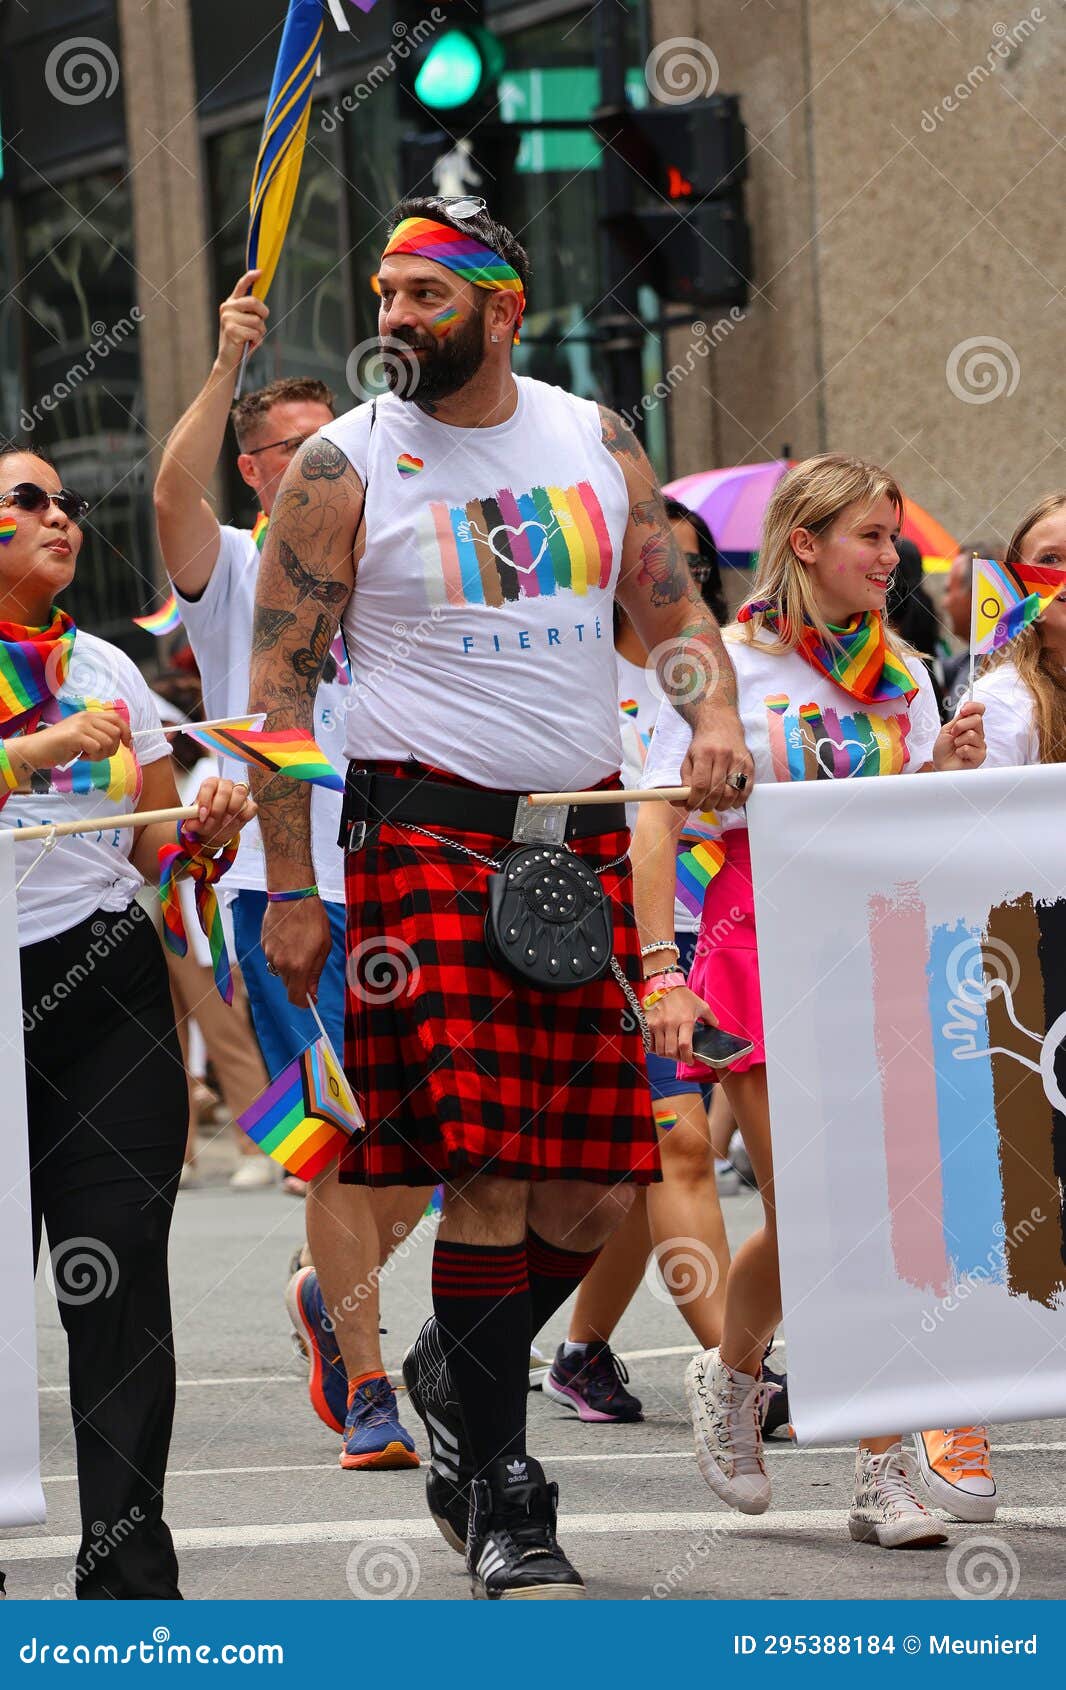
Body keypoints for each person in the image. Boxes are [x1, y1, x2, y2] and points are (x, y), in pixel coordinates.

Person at [248, 194, 750, 1599]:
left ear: (503, 305)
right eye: (385, 294)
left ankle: (444, 1366)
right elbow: (279, 690)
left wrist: (706, 712)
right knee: (487, 1175)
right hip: (423, 842)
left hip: (575, 847)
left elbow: (670, 616)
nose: (393, 319)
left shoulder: (590, 437)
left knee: (598, 1189)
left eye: (424, 296)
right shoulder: (343, 465)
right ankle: (506, 1493)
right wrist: (291, 885)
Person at [637, 453, 988, 1550]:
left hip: (889, 944)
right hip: (758, 941)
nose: (893, 558)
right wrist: (660, 970)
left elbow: (902, 822)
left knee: (873, 1220)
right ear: (803, 544)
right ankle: (845, 1442)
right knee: (833, 1220)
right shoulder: (720, 668)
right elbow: (655, 826)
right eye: (870, 538)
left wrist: (942, 774)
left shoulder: (906, 674)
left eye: (894, 541)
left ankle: (765, 1399)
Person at [153, 278, 429, 1469]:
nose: (334, 467)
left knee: (430, 1141)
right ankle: (371, 1389)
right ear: (261, 470)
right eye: (305, 449)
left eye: (343, 444)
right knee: (327, 1139)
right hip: (274, 895)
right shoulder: (226, 561)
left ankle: (326, 1287)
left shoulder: (390, 570)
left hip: (404, 886)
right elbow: (169, 488)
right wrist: (225, 364)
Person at [0, 444, 255, 1597]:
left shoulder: (103, 661)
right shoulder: (55, 703)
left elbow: (158, 845)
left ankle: (127, 1577)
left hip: (101, 984)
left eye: (66, 501)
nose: (62, 517)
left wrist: (207, 829)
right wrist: (35, 750)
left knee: (116, 1280)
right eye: (30, 501)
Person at [543, 496, 735, 1424]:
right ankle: (744, 1370)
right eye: (657, 561)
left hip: (729, 934)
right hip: (606, 935)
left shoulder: (718, 675)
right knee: (676, 1142)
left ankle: (580, 1352)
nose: (673, 579)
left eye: (690, 564)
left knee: (641, 1169)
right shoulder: (564, 662)